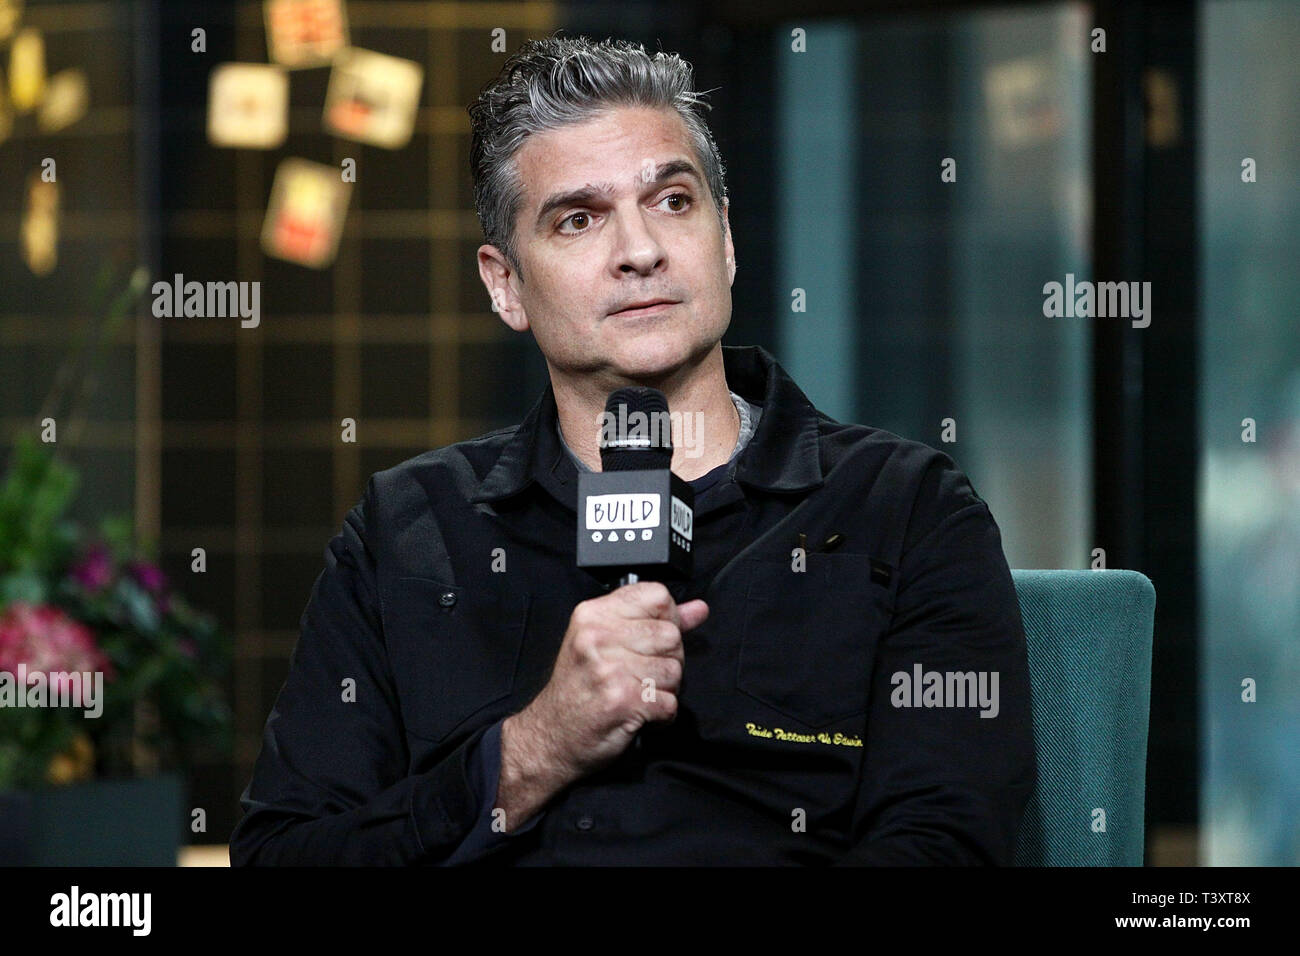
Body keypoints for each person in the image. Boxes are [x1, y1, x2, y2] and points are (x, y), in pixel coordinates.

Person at [229, 34, 1036, 866]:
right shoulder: (407, 530)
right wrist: (534, 749)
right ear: (504, 285)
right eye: (579, 219)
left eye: (674, 202)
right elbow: (283, 855)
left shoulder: (902, 507)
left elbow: (944, 846)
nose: (640, 250)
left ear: (725, 240)